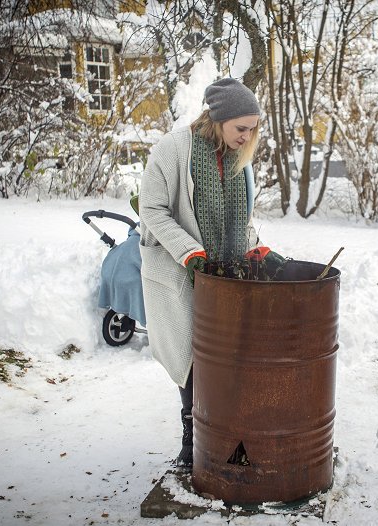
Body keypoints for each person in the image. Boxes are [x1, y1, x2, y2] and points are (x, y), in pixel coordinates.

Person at [139, 77, 277, 468]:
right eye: (241, 128)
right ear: (217, 119)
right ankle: (191, 439)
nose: (247, 136)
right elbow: (151, 209)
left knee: (229, 357)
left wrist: (257, 248)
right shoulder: (173, 149)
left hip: (225, 277)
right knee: (192, 358)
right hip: (181, 272)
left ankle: (228, 439)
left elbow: (241, 220)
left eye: (253, 128)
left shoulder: (238, 158)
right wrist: (190, 253)